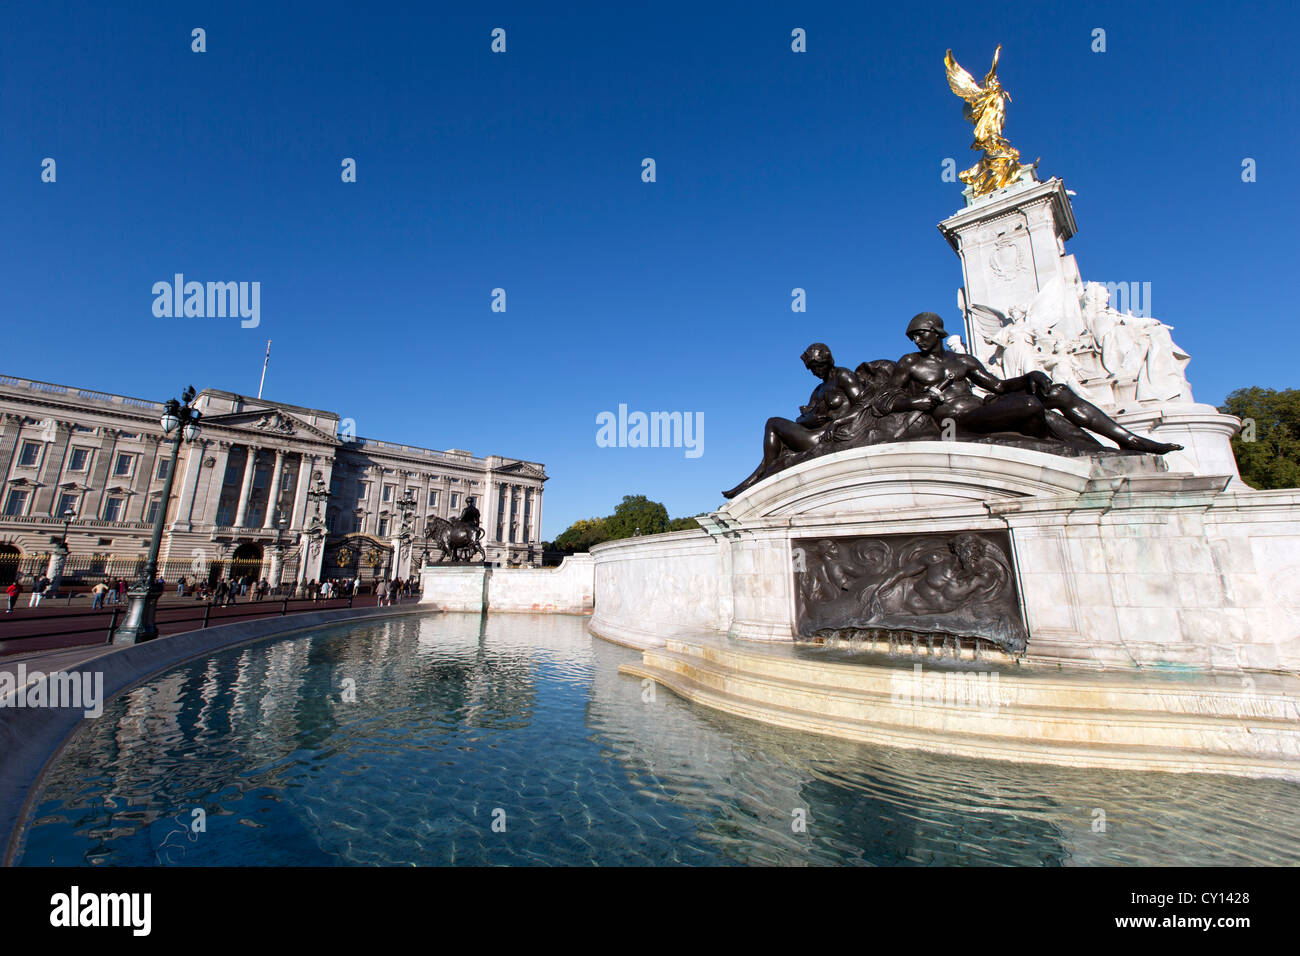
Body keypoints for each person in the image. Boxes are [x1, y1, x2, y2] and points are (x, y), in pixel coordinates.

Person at [885, 312, 1183, 454]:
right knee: (1029, 405)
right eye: (913, 336)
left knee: (1059, 393)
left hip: (983, 408)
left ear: (937, 332)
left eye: (922, 333)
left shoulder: (964, 362)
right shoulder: (910, 363)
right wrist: (916, 402)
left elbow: (999, 387)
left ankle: (1127, 439)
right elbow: (887, 399)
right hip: (955, 419)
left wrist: (1030, 377)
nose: (917, 339)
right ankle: (1069, 445)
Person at [723, 343, 868, 499]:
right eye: (811, 369)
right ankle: (760, 474)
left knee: (772, 422)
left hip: (829, 435)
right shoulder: (818, 390)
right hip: (816, 433)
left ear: (827, 362)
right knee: (772, 424)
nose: (814, 372)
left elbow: (864, 403)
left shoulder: (843, 376)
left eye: (816, 367)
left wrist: (838, 422)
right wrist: (811, 418)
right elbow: (801, 418)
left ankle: (760, 475)